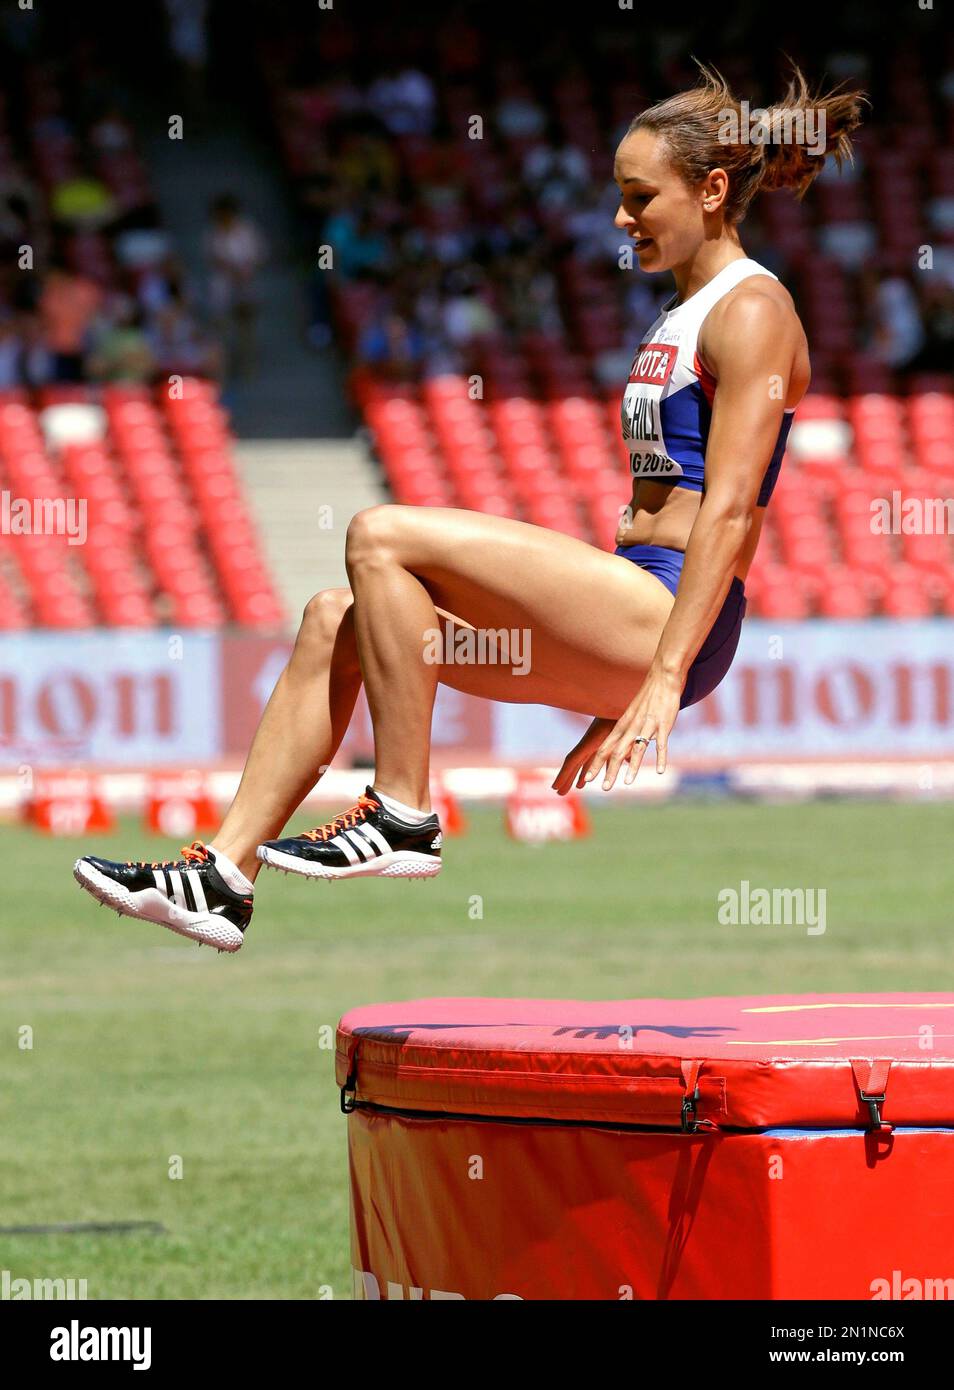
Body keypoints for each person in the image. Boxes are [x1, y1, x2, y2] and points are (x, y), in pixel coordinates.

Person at [73, 62, 865, 954]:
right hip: (637, 611)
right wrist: (619, 680)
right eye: (619, 196)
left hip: (675, 609)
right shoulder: (682, 312)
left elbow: (729, 513)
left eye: (640, 197)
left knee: (380, 536)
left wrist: (662, 673)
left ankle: (405, 813)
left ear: (713, 190)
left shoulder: (753, 310)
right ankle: (222, 876)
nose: (620, 217)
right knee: (339, 618)